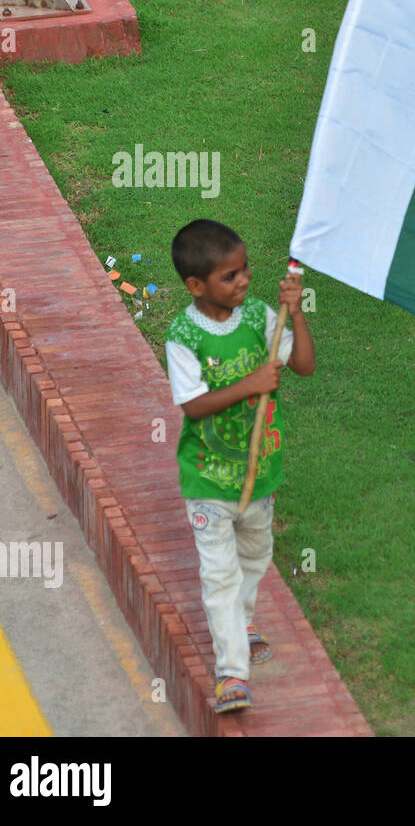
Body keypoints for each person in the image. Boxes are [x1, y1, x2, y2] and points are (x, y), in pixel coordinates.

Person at [164, 219, 315, 713]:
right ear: (196, 286)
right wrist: (252, 383)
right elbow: (193, 406)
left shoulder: (258, 317)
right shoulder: (183, 336)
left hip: (260, 475)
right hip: (208, 480)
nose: (245, 280)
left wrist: (294, 315)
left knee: (255, 557)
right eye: (230, 276)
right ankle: (232, 673)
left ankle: (243, 621)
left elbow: (304, 365)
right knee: (219, 576)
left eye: (245, 269)